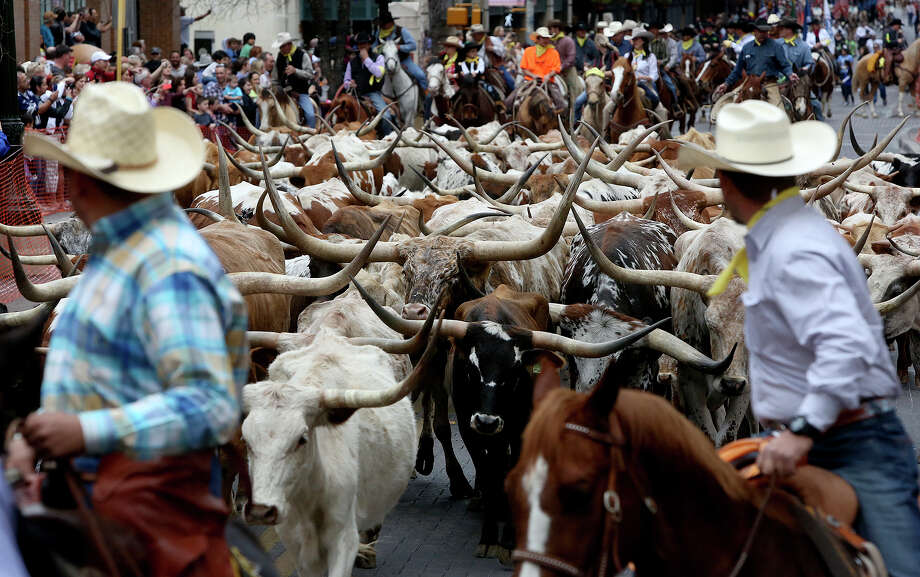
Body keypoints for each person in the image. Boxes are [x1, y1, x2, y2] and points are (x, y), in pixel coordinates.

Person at [9, 81, 245, 577]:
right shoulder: (125, 248)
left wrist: (82, 430)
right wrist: (43, 434)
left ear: (80, 181)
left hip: (146, 527)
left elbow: (210, 405)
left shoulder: (169, 266)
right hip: (108, 509)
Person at [678, 98, 920, 577]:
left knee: (902, 569)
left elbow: (845, 345)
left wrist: (801, 432)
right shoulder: (781, 237)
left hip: (849, 443)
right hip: (788, 440)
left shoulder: (797, 248)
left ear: (726, 181)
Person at [714, 18, 798, 117]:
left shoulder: (776, 46)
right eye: (760, 31)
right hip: (748, 84)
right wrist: (726, 84)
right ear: (754, 31)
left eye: (765, 31)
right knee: (723, 106)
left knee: (780, 114)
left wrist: (790, 74)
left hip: (769, 85)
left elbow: (784, 65)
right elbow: (737, 70)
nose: (763, 34)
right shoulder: (746, 47)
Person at [344, 31, 393, 136]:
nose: (362, 46)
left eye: (364, 43)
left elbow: (378, 73)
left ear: (369, 44)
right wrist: (349, 84)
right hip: (355, 94)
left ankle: (386, 138)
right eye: (359, 44)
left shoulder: (379, 58)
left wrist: (366, 59)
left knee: (386, 117)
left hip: (372, 93)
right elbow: (346, 81)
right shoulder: (351, 62)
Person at [778, 18, 824, 121]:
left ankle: (820, 126)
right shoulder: (776, 44)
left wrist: (804, 69)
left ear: (789, 30)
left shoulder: (804, 46)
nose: (779, 30)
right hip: (778, 82)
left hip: (799, 81)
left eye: (782, 28)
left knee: (816, 105)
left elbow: (809, 63)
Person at [272, 31, 316, 128]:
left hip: (300, 93)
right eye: (280, 47)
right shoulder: (279, 57)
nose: (280, 49)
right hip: (283, 94)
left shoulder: (302, 55)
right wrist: (276, 89)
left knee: (310, 115)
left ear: (289, 44)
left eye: (282, 46)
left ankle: (312, 132)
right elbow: (275, 79)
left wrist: (295, 71)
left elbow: (310, 74)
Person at [374, 11, 427, 90]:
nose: (382, 25)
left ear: (391, 22)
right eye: (381, 23)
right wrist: (378, 49)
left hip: (404, 60)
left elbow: (413, 46)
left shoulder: (402, 31)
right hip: (384, 62)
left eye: (384, 23)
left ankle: (425, 95)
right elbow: (374, 47)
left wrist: (400, 47)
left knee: (420, 75)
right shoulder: (378, 33)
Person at [548, 20, 578, 123]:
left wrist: (561, 67)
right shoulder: (548, 41)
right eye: (551, 28)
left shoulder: (568, 40)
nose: (552, 30)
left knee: (574, 92)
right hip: (551, 71)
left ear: (559, 29)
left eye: (554, 28)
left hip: (567, 71)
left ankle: (573, 120)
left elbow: (571, 57)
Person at [630, 28, 661, 109]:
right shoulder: (627, 56)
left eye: (637, 39)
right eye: (633, 39)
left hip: (646, 84)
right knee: (608, 109)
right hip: (630, 85)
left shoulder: (651, 56)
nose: (634, 41)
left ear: (643, 41)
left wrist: (646, 77)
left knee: (661, 109)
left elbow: (654, 74)